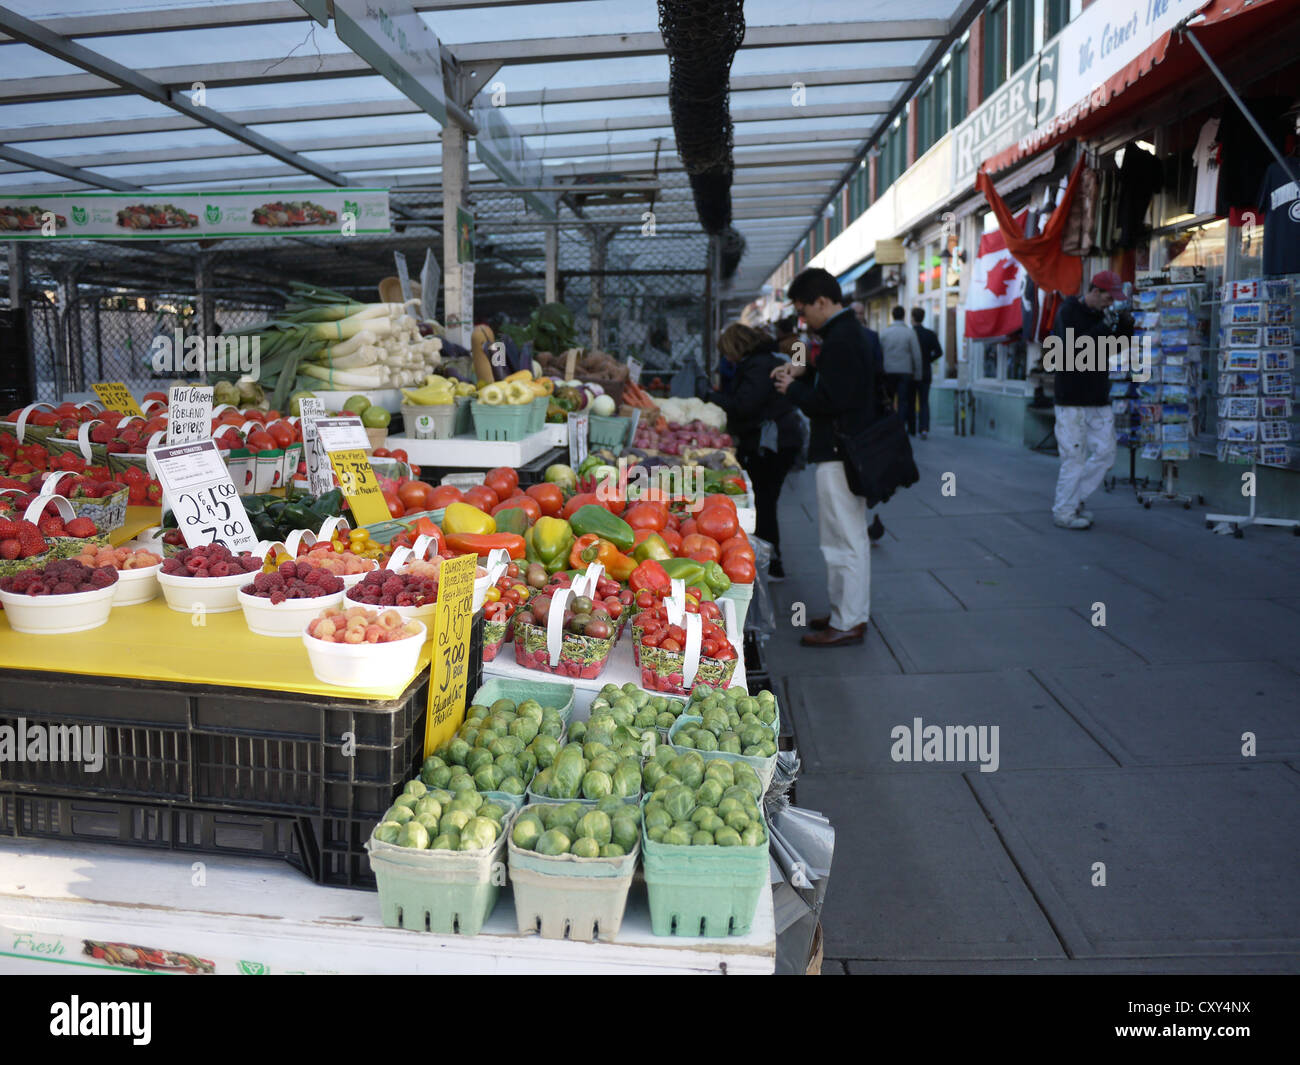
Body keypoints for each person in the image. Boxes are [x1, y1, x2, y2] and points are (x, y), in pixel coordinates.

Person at [771, 268, 880, 647]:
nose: (803, 319)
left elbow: (831, 401)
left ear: (822, 302)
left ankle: (847, 620)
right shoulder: (845, 334)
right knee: (848, 536)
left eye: (804, 310)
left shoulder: (841, 339)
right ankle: (847, 613)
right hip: (847, 448)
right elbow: (834, 385)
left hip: (838, 450)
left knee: (841, 539)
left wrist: (792, 388)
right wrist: (804, 373)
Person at [702, 324, 804, 580]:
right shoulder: (760, 361)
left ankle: (772, 563)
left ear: (736, 347)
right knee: (766, 500)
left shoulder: (757, 366)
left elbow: (744, 406)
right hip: (775, 440)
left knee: (765, 501)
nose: (726, 358)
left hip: (770, 444)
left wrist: (711, 397)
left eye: (727, 351)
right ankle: (769, 558)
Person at [1050, 270, 1124, 530]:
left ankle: (1074, 499)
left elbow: (1111, 350)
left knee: (1106, 452)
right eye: (1107, 297)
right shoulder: (1067, 312)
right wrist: (1106, 327)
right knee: (1074, 457)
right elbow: (1077, 347)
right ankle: (1064, 512)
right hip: (1071, 398)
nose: (1110, 303)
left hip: (1097, 397)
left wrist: (1124, 328)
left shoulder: (1101, 315)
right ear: (1094, 291)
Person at [879, 306, 923, 436]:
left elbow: (879, 353)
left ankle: (889, 426)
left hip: (888, 371)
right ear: (904, 316)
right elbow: (916, 355)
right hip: (905, 371)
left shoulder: (885, 333)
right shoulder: (909, 333)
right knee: (904, 401)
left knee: (890, 400)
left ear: (892, 316)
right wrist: (918, 375)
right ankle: (901, 426)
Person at [911, 308, 943, 439]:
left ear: (912, 317)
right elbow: (939, 352)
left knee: (911, 400)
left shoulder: (911, 333)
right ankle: (924, 428)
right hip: (925, 371)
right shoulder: (930, 334)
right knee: (924, 401)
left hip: (912, 371)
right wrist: (928, 360)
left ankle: (912, 428)